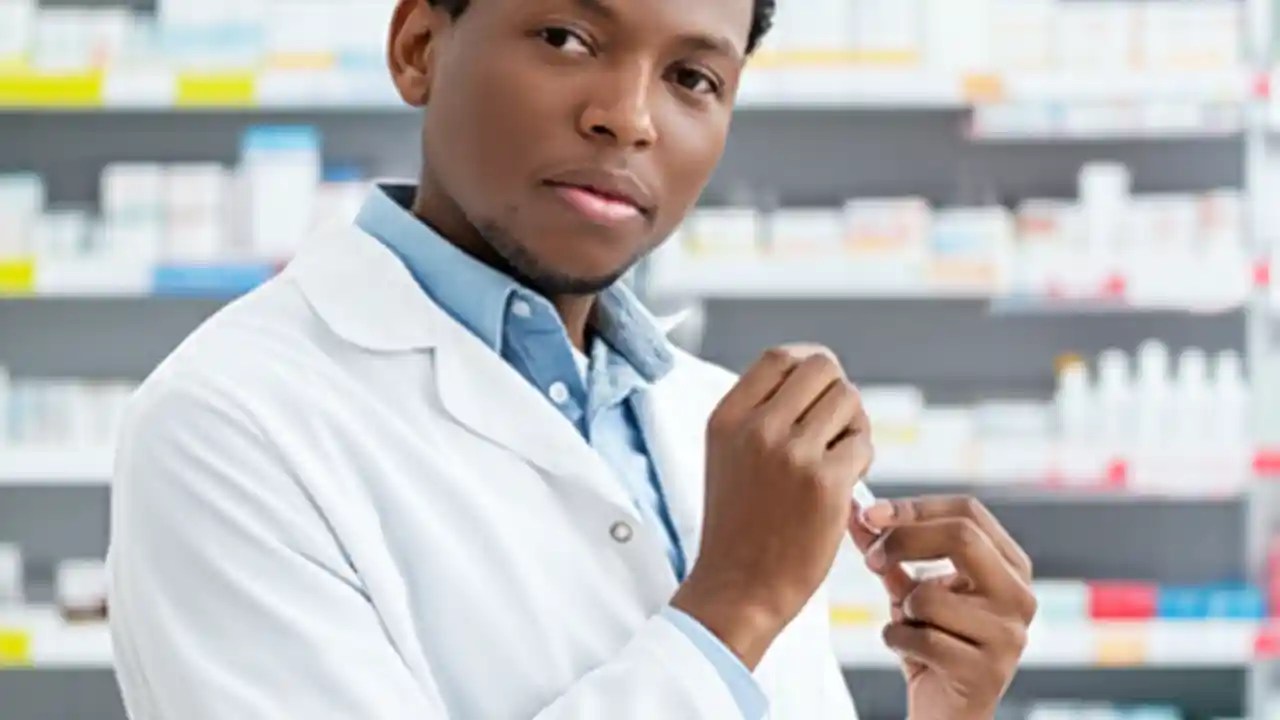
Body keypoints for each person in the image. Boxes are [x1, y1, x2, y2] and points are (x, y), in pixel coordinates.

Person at [107, 0, 1037, 717]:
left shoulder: (711, 424)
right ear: (419, 47)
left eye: (693, 78)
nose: (628, 119)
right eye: (565, 36)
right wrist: (734, 607)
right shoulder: (224, 425)